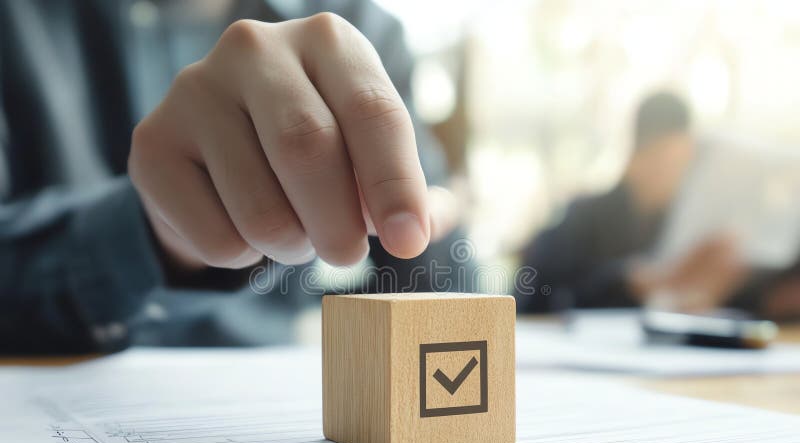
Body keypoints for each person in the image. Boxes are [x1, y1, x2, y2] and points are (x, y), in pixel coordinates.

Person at [0, 1, 466, 354]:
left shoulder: (358, 26)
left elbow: (441, 285)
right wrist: (153, 235)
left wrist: (440, 225)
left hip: (277, 430)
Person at [515, 91, 749, 313]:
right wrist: (628, 281)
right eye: (668, 158)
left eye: (683, 160)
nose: (677, 172)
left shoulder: (683, 227)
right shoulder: (583, 218)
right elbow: (541, 293)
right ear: (640, 151)